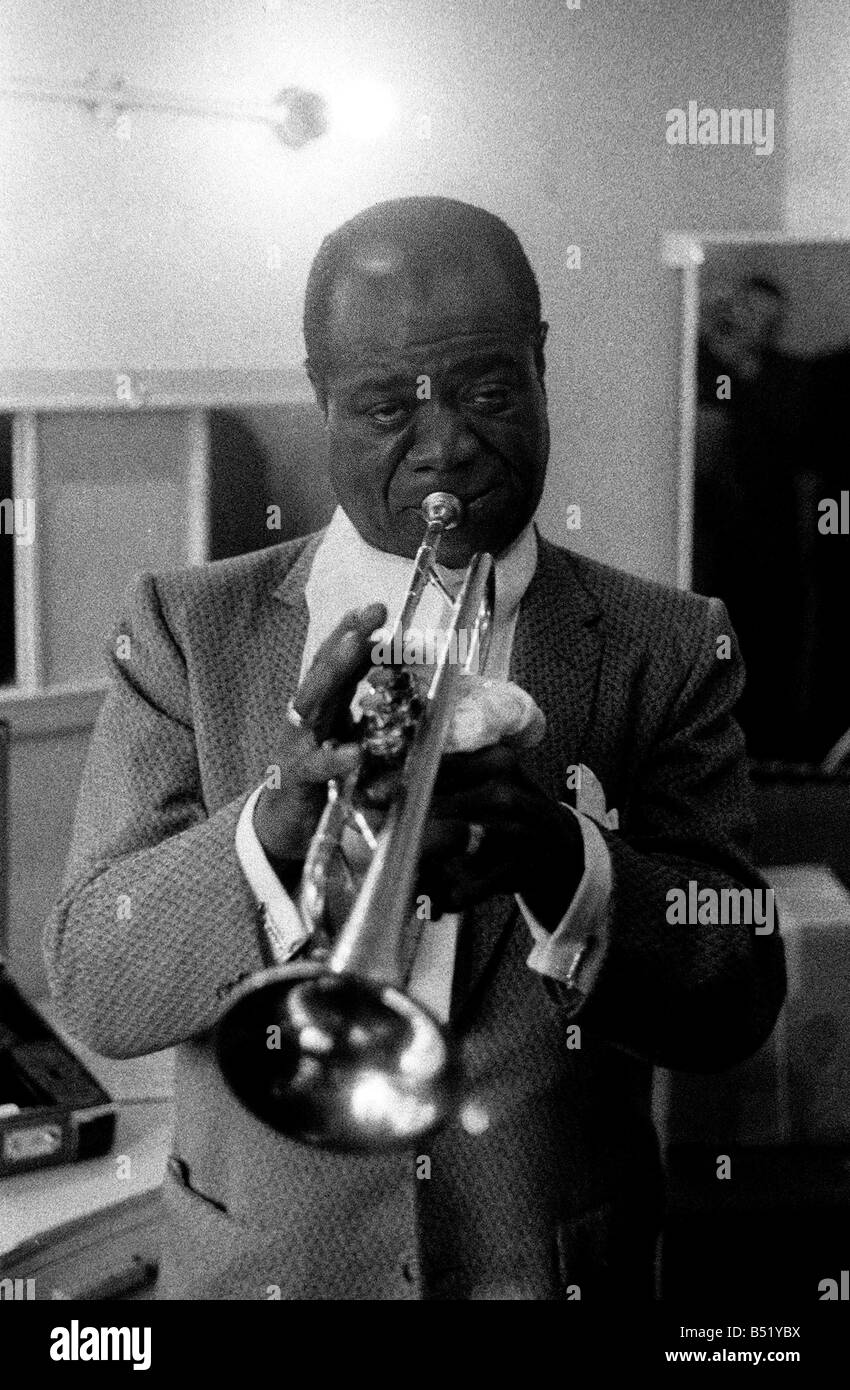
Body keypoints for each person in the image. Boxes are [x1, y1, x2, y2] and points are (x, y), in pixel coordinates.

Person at [45, 196, 786, 1301]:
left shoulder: (669, 645)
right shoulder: (186, 631)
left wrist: (556, 858)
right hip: (263, 1273)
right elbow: (99, 985)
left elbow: (731, 999)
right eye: (388, 406)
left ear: (541, 367)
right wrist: (273, 829)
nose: (445, 445)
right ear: (323, 402)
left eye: (488, 390)